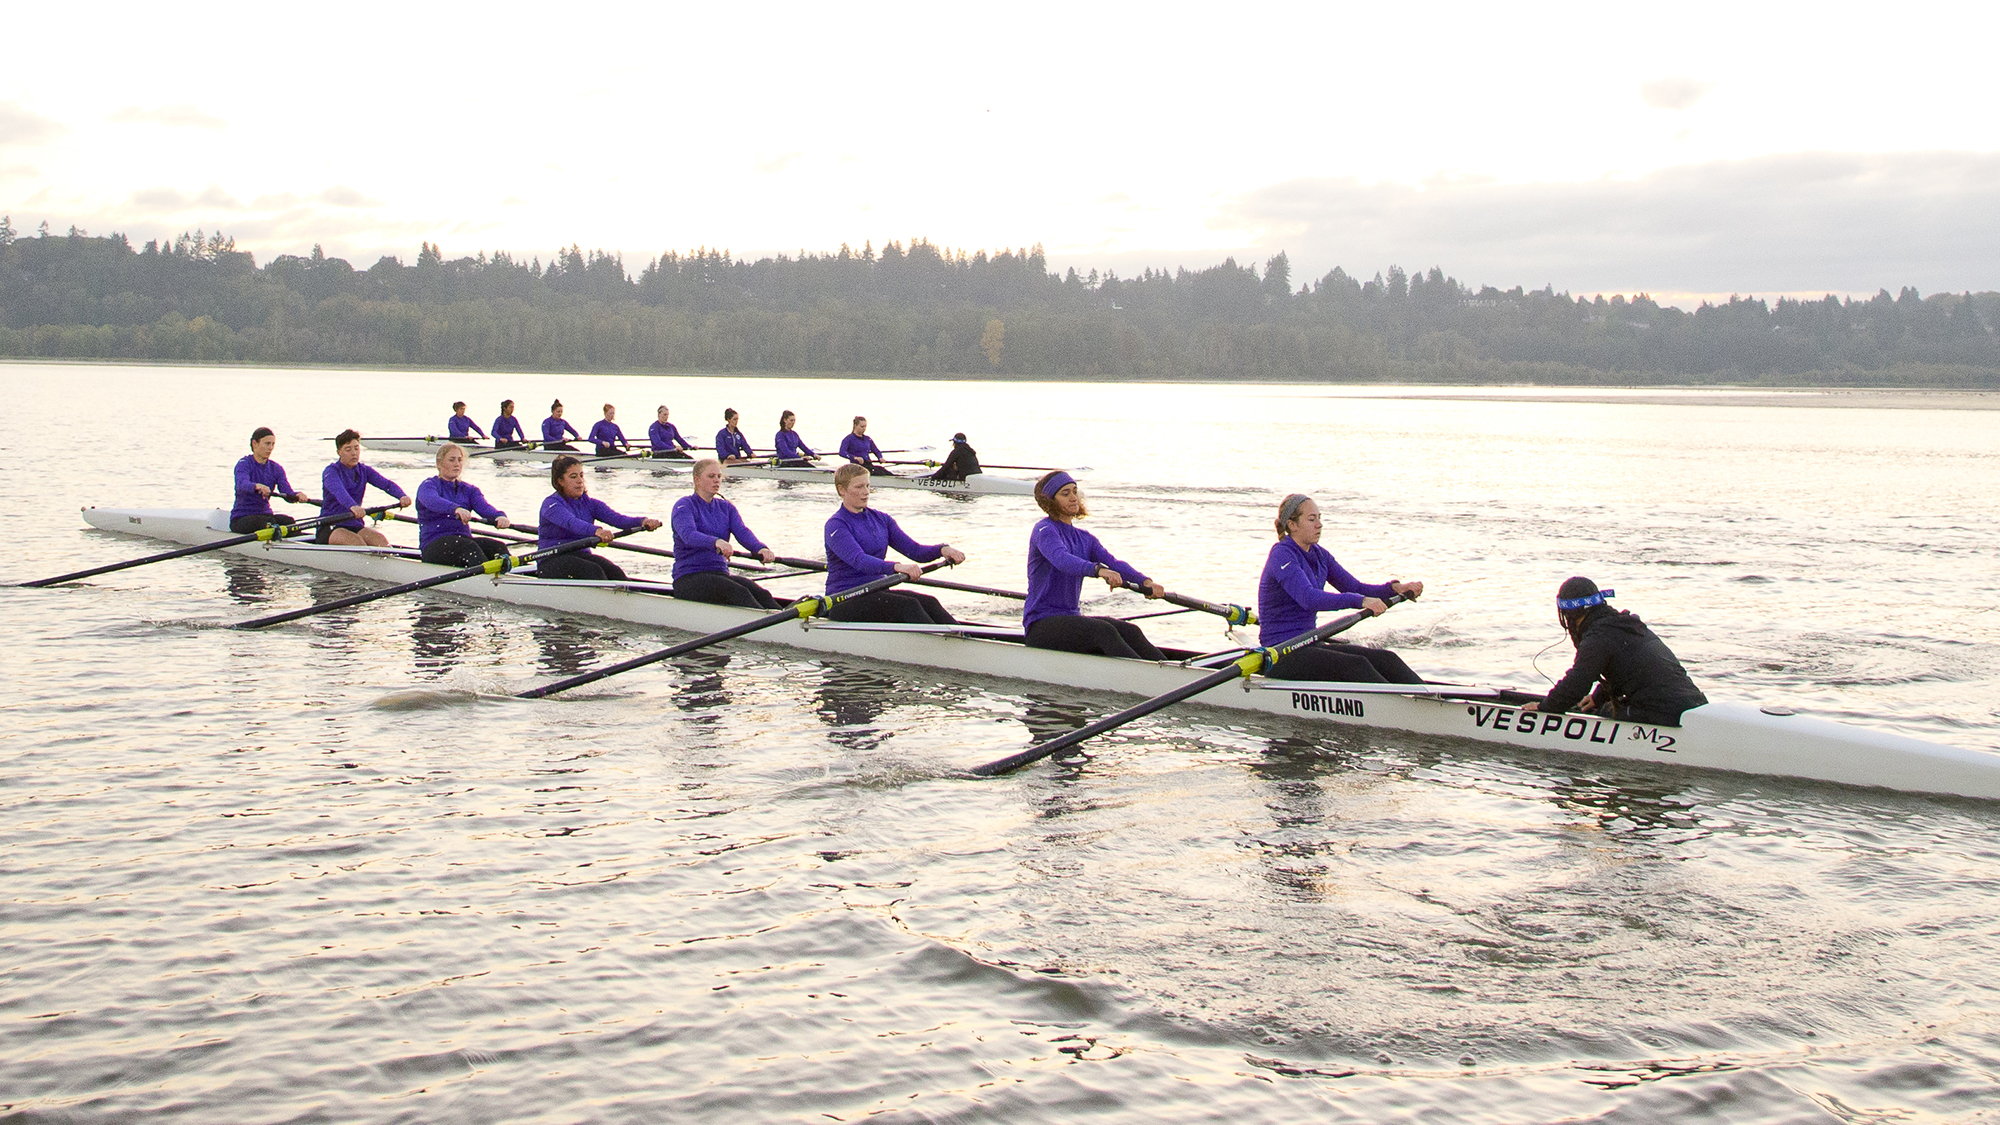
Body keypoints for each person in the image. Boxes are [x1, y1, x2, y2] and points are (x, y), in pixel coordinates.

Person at [1256, 493, 1426, 683]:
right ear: (1292, 525)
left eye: (1320, 518)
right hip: (1280, 653)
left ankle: (1436, 702)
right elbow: (1309, 598)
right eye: (1311, 519)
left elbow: (1355, 587)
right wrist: (1360, 601)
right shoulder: (1282, 554)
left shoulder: (1320, 555)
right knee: (1356, 665)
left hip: (1309, 644)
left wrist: (1395, 588)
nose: (1319, 524)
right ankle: (1397, 709)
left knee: (1386, 659)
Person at [1023, 470, 1168, 659]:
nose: (1073, 498)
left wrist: (1146, 582)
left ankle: (1172, 673)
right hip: (1041, 625)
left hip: (1070, 620)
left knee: (1131, 631)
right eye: (1065, 494)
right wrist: (1098, 570)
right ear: (1050, 501)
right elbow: (1062, 560)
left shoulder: (1085, 538)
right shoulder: (1044, 530)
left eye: (1075, 491)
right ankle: (1146, 678)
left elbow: (1114, 563)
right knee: (1103, 631)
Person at [1522, 578, 1708, 725]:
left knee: (1604, 712)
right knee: (1601, 706)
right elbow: (1630, 670)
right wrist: (1597, 697)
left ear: (1568, 614)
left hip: (1662, 711)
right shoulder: (1624, 625)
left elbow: (1577, 682)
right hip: (1693, 704)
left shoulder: (1598, 635)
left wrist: (1545, 708)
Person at [823, 463, 965, 624]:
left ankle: (962, 639)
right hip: (844, 599)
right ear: (842, 490)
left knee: (929, 602)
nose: (866, 492)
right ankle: (941, 645)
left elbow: (915, 551)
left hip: (877, 592)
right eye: (859, 487)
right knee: (908, 606)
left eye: (868, 485)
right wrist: (897, 567)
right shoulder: (836, 525)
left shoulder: (882, 519)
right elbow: (859, 560)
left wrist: (943, 549)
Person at [670, 458, 781, 608]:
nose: (716, 481)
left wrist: (760, 548)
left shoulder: (726, 507)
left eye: (719, 476)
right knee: (739, 592)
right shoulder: (684, 506)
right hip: (689, 578)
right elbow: (688, 535)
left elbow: (742, 532)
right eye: (711, 476)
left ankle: (786, 623)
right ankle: (769, 626)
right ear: (697, 480)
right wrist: (716, 541)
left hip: (719, 573)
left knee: (761, 593)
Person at [535, 455, 661, 581]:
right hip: (552, 559)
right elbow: (571, 523)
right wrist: (596, 531)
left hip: (580, 555)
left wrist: (643, 521)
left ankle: (623, 598)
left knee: (615, 572)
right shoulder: (552, 505)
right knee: (593, 571)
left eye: (581, 475)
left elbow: (618, 519)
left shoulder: (591, 504)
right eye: (573, 477)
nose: (580, 481)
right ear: (560, 481)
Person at [415, 442, 512, 568]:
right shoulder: (428, 486)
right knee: (469, 547)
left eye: (460, 460)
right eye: (452, 460)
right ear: (439, 464)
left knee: (498, 547)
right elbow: (433, 501)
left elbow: (484, 508)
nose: (457, 464)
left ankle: (510, 580)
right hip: (433, 544)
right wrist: (456, 509)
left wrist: (499, 516)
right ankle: (484, 583)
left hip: (462, 541)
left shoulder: (469, 490)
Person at [318, 429, 411, 546]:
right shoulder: (331, 472)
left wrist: (401, 495)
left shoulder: (364, 470)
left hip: (354, 524)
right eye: (348, 449)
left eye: (356, 448)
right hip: (331, 526)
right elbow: (339, 491)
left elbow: (386, 484)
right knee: (357, 543)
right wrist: (352, 506)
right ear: (339, 452)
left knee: (381, 541)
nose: (354, 453)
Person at [230, 426, 313, 533]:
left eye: (273, 444)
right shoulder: (244, 464)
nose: (270, 448)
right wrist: (256, 486)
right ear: (254, 444)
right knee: (262, 522)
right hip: (242, 518)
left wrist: (297, 496)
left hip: (266, 516)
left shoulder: (276, 468)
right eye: (267, 443)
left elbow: (287, 493)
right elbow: (242, 484)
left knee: (288, 521)